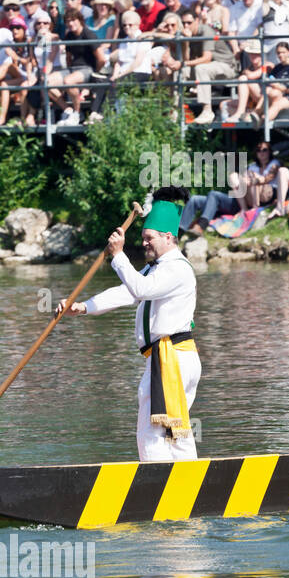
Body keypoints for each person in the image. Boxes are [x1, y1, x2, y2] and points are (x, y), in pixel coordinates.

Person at [58, 189, 201, 462]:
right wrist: (84, 306)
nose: (144, 243)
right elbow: (126, 291)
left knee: (152, 430)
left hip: (172, 356)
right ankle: (189, 479)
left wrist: (118, 255)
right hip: (170, 357)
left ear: (168, 237)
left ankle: (155, 482)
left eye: (149, 238)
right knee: (174, 429)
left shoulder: (176, 268)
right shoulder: (156, 268)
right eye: (143, 237)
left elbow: (141, 288)